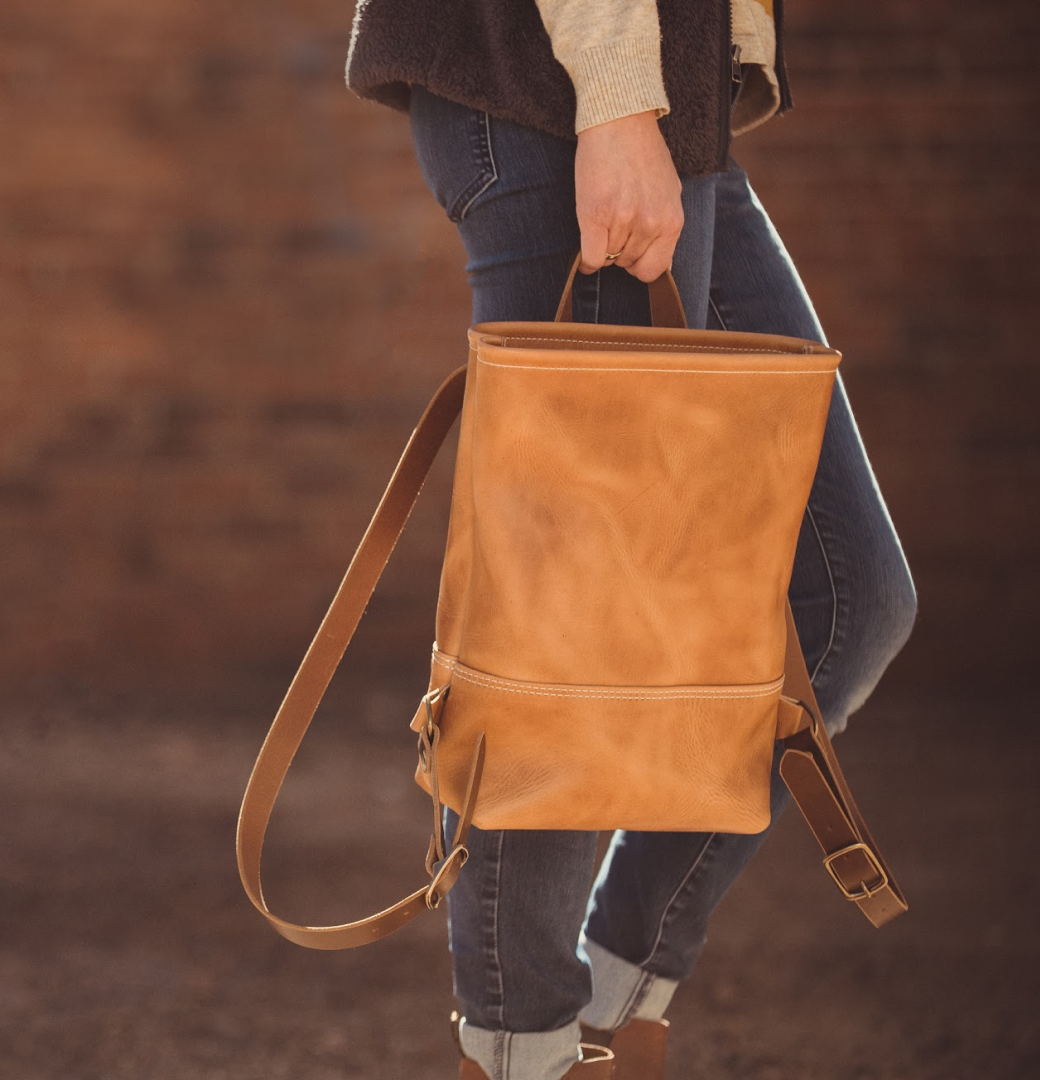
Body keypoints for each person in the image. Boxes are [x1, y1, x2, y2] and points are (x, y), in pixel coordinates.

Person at [344, 2, 918, 1078]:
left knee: (851, 599)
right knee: (571, 659)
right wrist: (612, 105)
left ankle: (608, 1004)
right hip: (563, 89)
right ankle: (522, 1050)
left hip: (672, 108)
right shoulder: (597, 102)